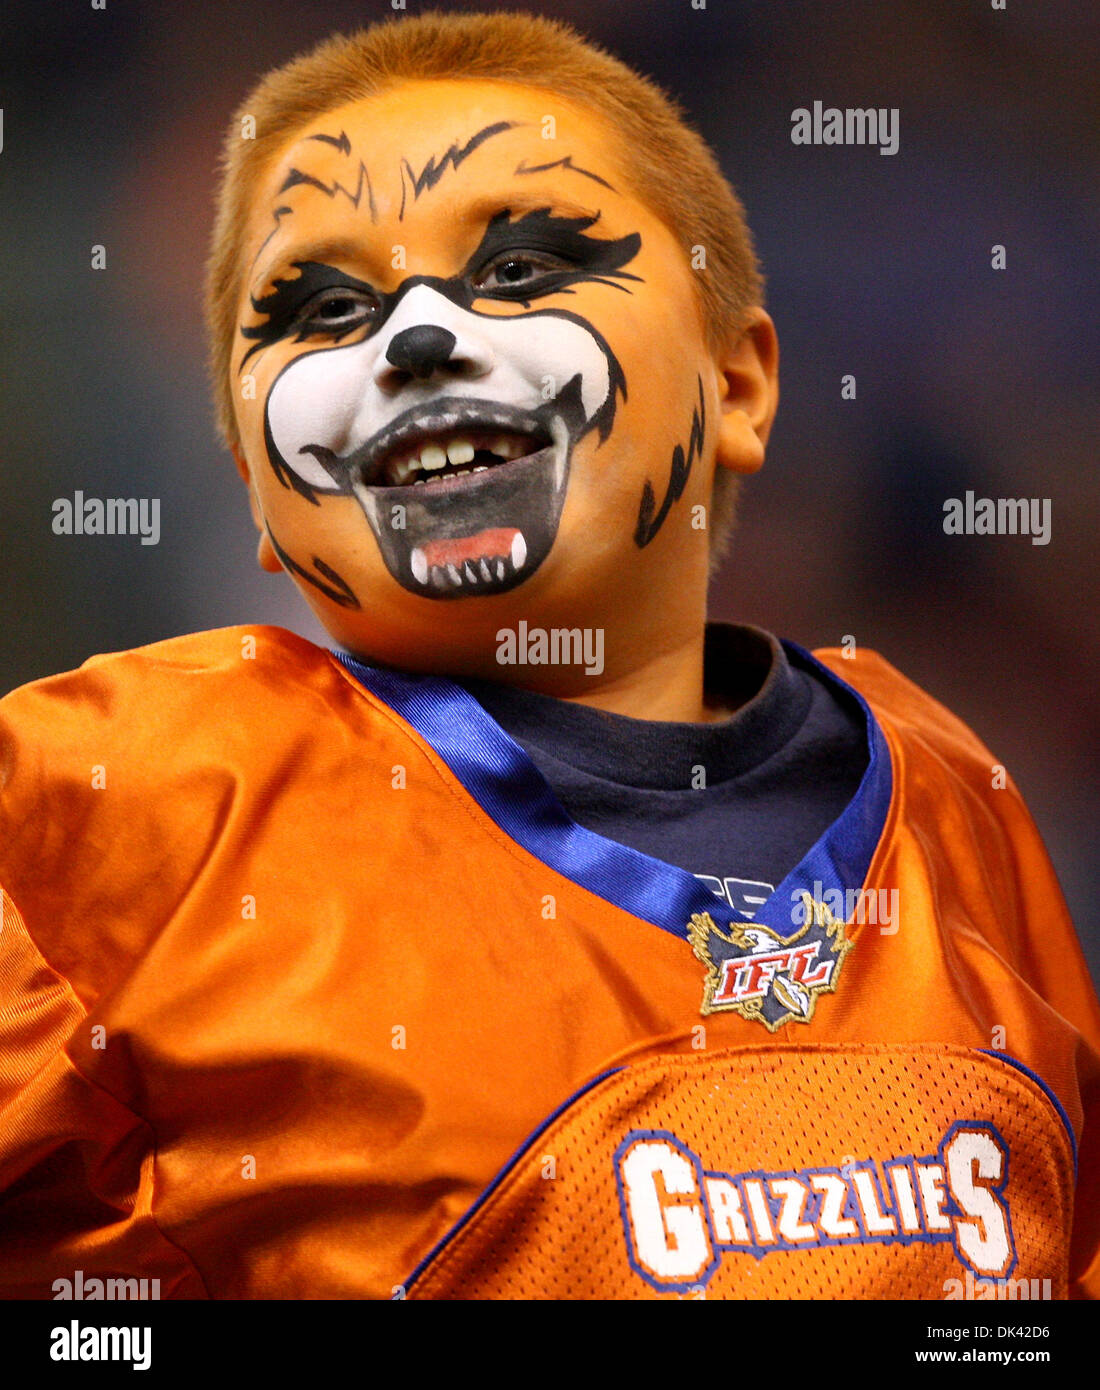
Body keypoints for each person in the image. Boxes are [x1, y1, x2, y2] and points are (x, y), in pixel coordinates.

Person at [1, 11, 1097, 1301]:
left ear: (737, 388)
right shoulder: (114, 797)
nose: (413, 340)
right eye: (327, 306)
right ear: (255, 483)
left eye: (521, 269)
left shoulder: (955, 790)